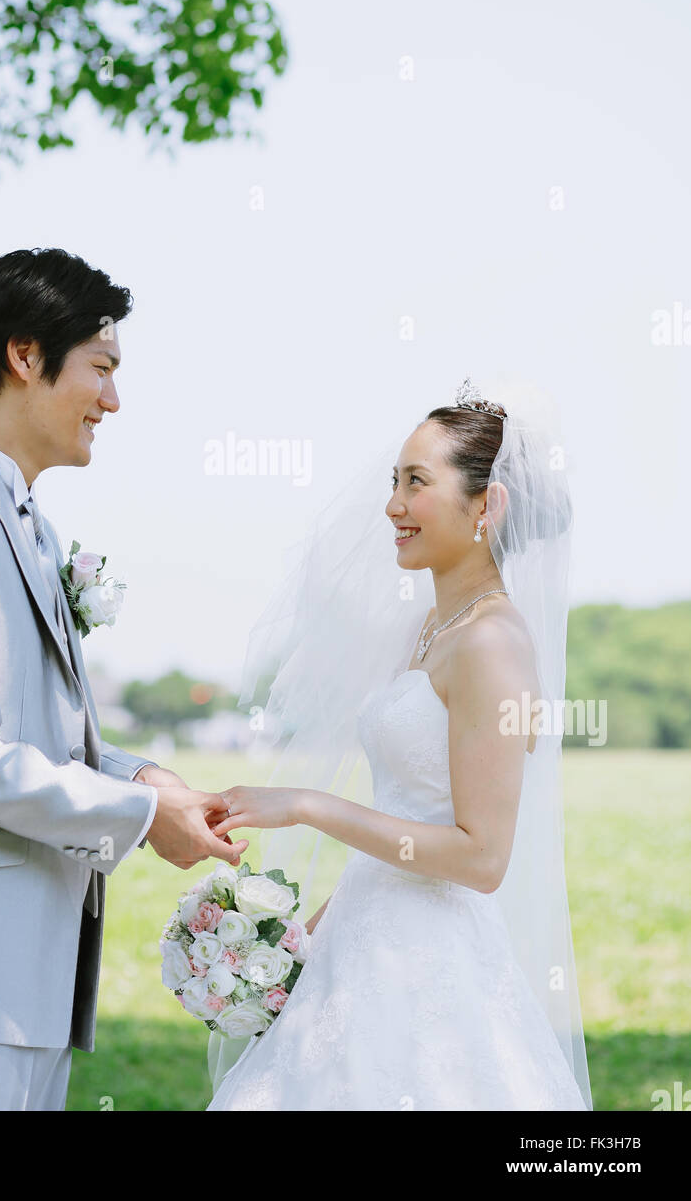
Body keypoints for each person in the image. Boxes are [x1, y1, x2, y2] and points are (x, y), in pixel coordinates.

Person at [0, 246, 247, 1111]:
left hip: (28, 976)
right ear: (25, 358)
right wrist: (144, 818)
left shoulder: (27, 523)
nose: (113, 399)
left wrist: (145, 779)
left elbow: (45, 738)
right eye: (101, 369)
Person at [205, 378, 592, 1110]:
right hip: (361, 946)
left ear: (487, 505)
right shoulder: (430, 631)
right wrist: (294, 946)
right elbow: (404, 815)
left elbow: (481, 858)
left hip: (431, 976)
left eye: (416, 482)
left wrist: (308, 806)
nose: (391, 506)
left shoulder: (492, 644)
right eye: (394, 481)